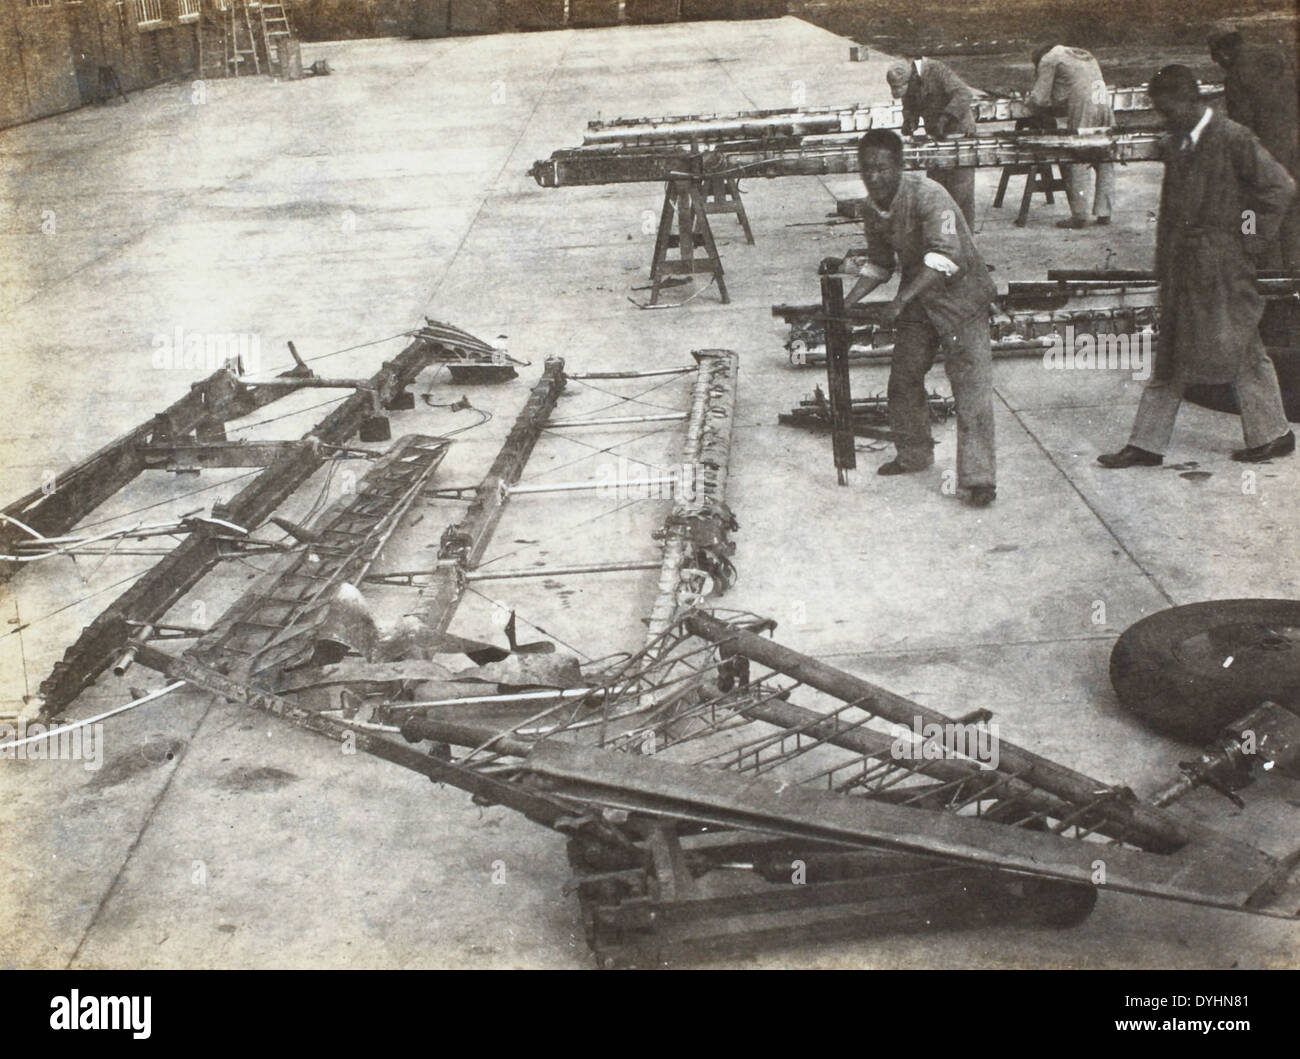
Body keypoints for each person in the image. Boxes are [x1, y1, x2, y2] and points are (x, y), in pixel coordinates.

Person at [1098, 65, 1296, 470]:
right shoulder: (1179, 141)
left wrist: (1250, 237)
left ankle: (1272, 434)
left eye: (1168, 111)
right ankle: (1148, 443)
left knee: (1240, 347)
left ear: (1191, 101)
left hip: (1223, 264)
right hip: (1184, 265)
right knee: (1176, 351)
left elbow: (1279, 187)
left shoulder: (1233, 138)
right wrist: (1164, 262)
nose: (1163, 119)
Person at [846, 129, 998, 506]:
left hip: (961, 298)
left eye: (882, 168)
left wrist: (899, 302)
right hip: (920, 298)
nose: (874, 177)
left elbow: (945, 256)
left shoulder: (931, 196)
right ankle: (914, 454)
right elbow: (879, 263)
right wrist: (846, 304)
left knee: (971, 388)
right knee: (903, 377)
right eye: (867, 170)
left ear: (899, 166)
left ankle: (979, 479)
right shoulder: (871, 208)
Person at [1208, 27, 1300, 268]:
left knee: (1250, 214)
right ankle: (1292, 278)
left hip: (1264, 158)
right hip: (1295, 150)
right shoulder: (1279, 57)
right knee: (1292, 214)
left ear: (1223, 53)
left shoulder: (1237, 73)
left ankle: (1260, 270)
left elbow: (1242, 128)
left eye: (1218, 60)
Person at [1026, 44, 1115, 228]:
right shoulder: (1078, 53)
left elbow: (1040, 99)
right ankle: (1104, 211)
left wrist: (1027, 102)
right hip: (1104, 101)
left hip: (1083, 105)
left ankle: (1079, 216)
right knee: (1105, 154)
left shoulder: (1048, 59)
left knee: (1078, 154)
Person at [886, 59, 977, 228]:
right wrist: (909, 120)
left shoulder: (937, 71)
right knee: (937, 190)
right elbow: (909, 105)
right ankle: (943, 237)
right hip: (936, 139)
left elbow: (964, 94)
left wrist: (946, 117)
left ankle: (964, 244)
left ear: (912, 79)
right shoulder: (910, 84)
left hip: (959, 135)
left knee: (959, 194)